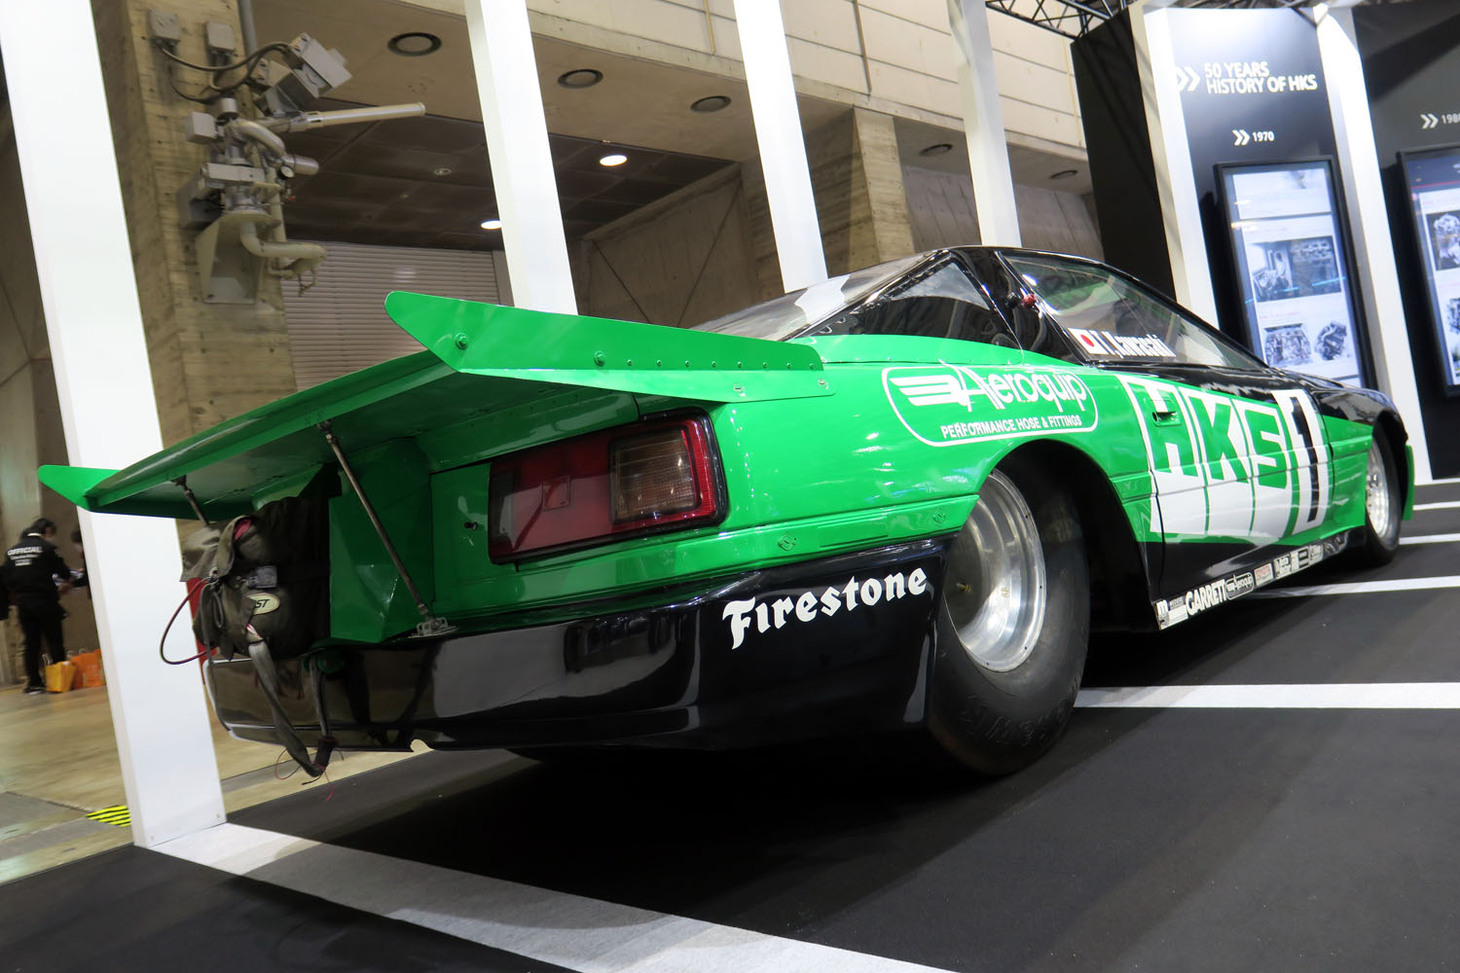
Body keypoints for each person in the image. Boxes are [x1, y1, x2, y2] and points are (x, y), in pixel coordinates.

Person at [1, 518, 75, 695]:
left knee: (31, 643)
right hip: (45, 600)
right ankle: (60, 680)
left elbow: (6, 578)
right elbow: (64, 572)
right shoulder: (47, 548)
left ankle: (33, 683)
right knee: (54, 640)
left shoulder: (11, 552)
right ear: (47, 530)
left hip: (23, 603)